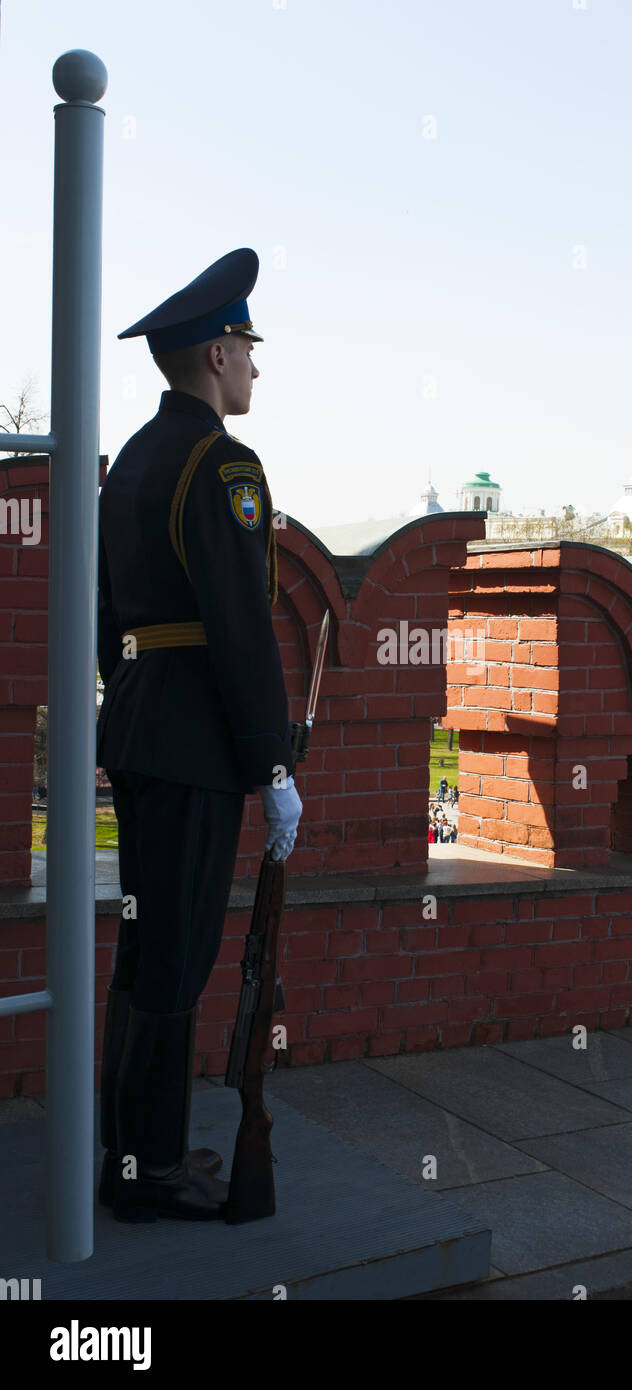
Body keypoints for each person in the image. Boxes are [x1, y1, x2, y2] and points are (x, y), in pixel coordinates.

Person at [96, 249, 303, 1223]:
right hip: (192, 744)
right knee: (176, 954)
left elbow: (107, 617)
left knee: (144, 949)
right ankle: (152, 1171)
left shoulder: (133, 458)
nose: (257, 369)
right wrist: (274, 758)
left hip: (137, 726)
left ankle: (131, 1155)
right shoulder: (222, 463)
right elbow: (238, 620)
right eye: (249, 351)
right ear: (218, 352)